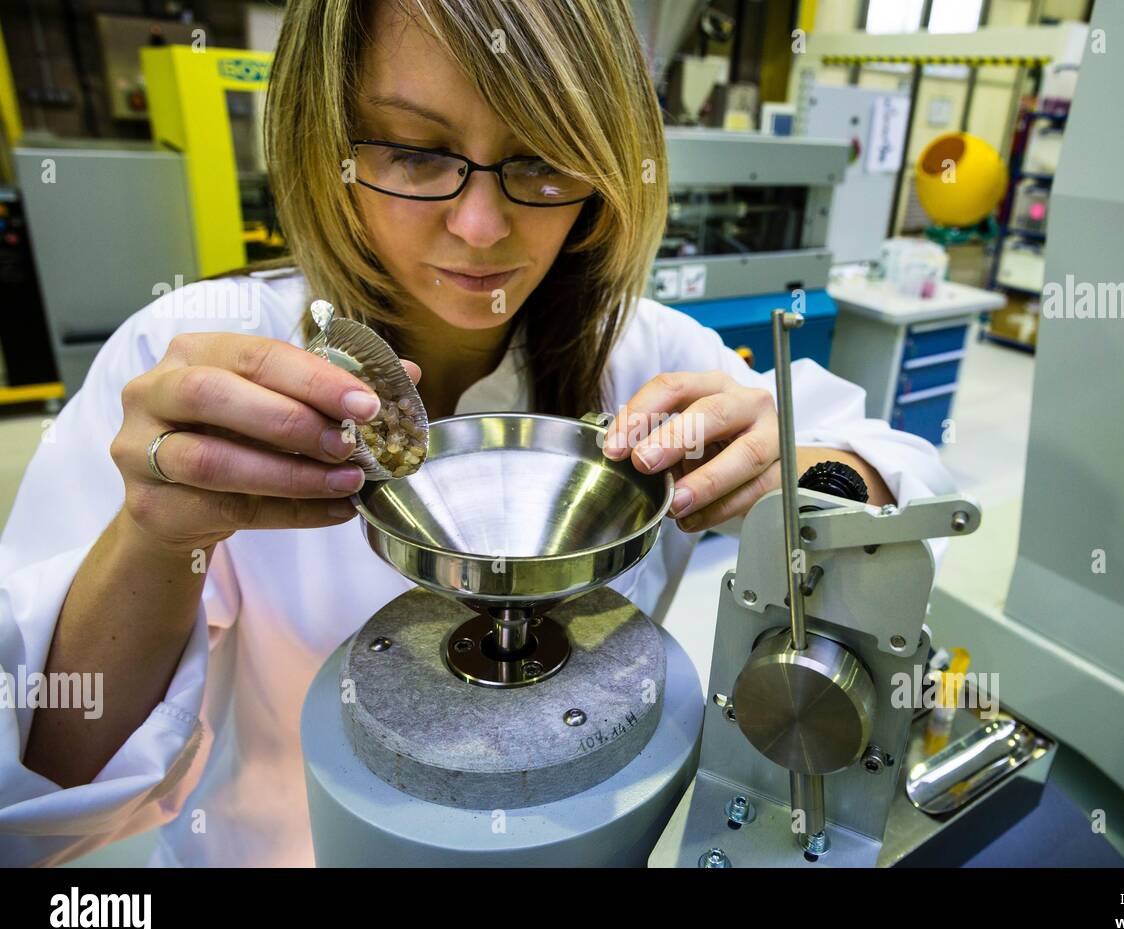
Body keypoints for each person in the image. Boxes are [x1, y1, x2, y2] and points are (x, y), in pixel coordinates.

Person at [0, 0, 954, 866]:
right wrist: (154, 539)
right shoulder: (196, 360)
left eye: (543, 158)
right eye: (415, 153)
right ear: (325, 140)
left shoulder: (648, 355)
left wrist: (823, 477)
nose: (481, 225)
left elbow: (902, 472)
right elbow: (46, 790)